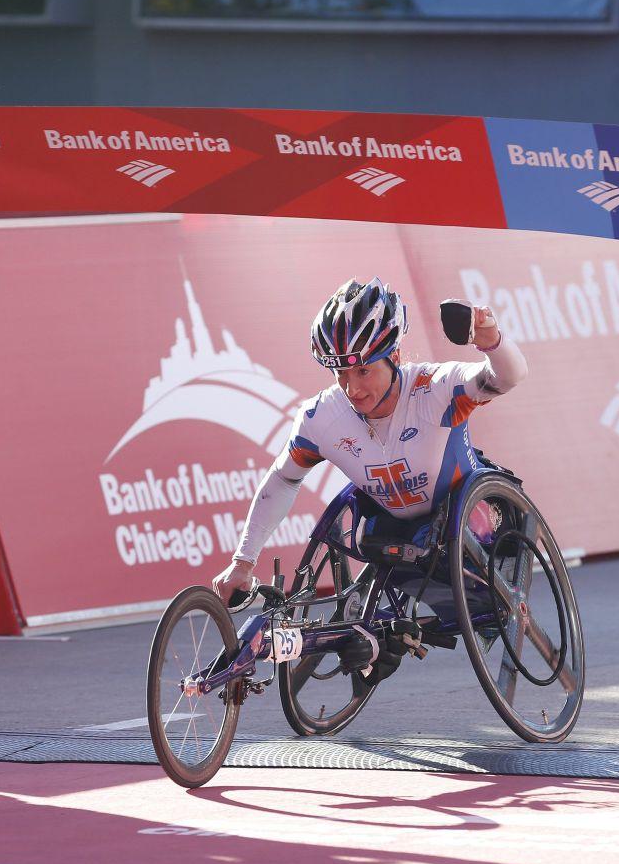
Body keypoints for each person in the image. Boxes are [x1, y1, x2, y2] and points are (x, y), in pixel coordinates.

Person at [210, 278, 526, 680]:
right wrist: (243, 561)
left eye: (363, 370)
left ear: (393, 354)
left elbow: (508, 377)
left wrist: (492, 340)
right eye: (340, 372)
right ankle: (377, 641)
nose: (352, 388)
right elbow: (283, 480)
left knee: (458, 527)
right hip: (396, 533)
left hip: (468, 523)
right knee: (366, 536)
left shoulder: (436, 389)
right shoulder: (321, 416)